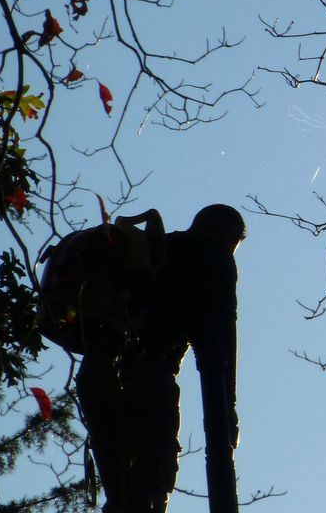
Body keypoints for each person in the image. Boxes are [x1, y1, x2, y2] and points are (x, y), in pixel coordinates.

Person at [75, 204, 245, 513]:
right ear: (226, 235)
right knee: (153, 476)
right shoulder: (215, 258)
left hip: (97, 370)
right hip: (149, 376)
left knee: (120, 490)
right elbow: (223, 337)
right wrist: (227, 409)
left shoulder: (150, 251)